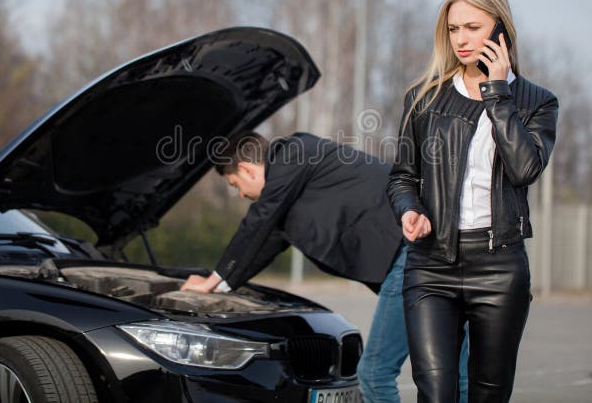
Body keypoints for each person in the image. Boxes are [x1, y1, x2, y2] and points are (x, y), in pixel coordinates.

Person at [180, 130, 469, 402]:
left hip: (410, 252)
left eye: (235, 186)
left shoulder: (293, 153)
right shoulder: (288, 190)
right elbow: (261, 245)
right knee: (456, 366)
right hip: (420, 251)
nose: (241, 195)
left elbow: (257, 221)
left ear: (246, 170)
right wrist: (220, 286)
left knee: (375, 374)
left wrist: (211, 280)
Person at [387, 0, 558, 402]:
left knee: (488, 394)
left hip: (500, 268)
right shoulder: (424, 98)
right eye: (453, 29)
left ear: (500, 29)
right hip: (431, 265)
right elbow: (402, 176)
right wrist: (408, 209)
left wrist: (497, 93)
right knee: (436, 392)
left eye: (472, 27)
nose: (461, 39)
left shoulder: (537, 102)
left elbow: (525, 169)